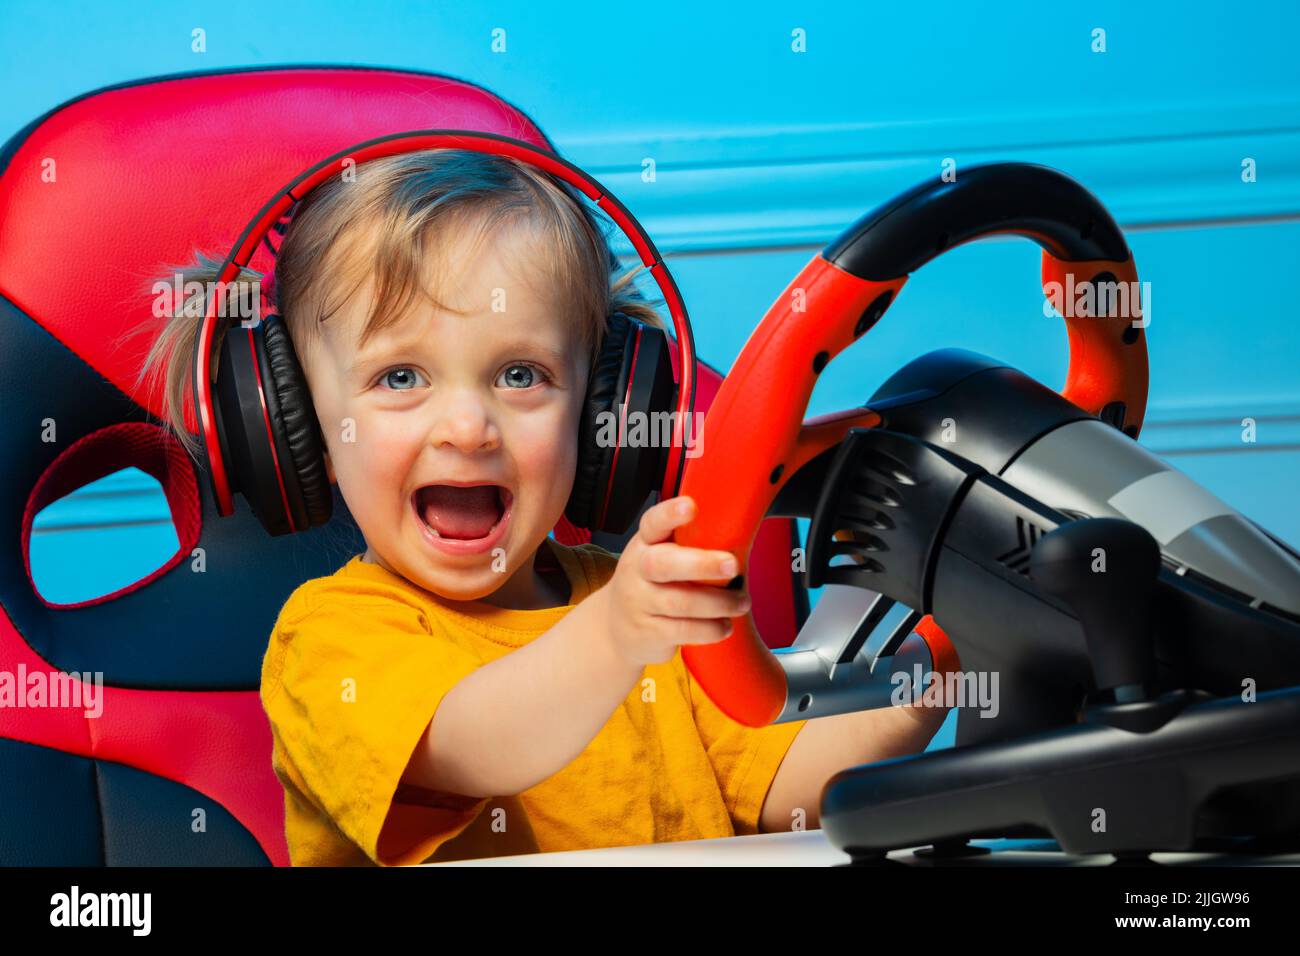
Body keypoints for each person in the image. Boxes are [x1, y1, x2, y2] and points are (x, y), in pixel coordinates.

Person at [136, 149, 947, 865]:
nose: (466, 427)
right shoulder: (329, 642)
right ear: (302, 430)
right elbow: (472, 742)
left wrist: (951, 655)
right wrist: (620, 632)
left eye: (520, 375)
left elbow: (788, 791)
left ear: (602, 419)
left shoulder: (633, 604)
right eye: (400, 378)